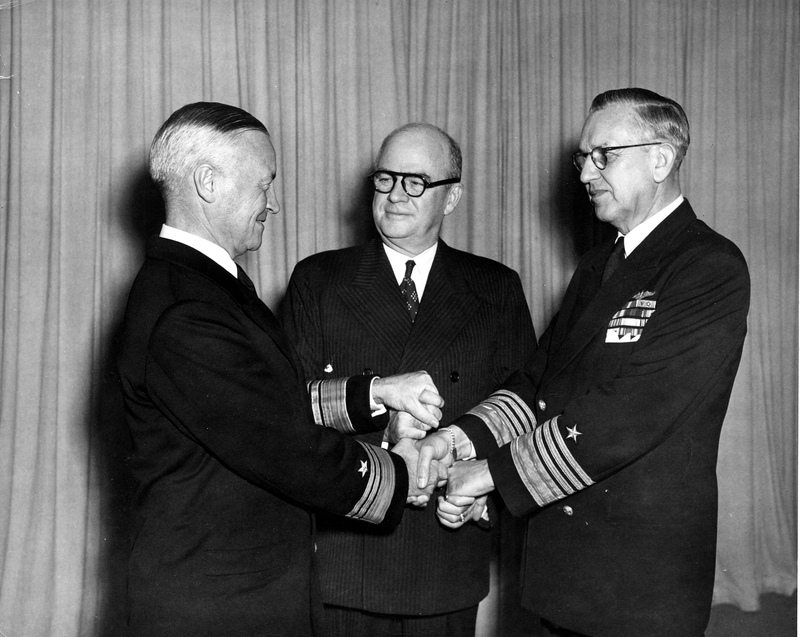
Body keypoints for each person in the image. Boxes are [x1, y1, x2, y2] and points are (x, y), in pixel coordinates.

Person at [420, 88, 751, 637]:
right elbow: (539, 381)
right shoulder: (600, 264)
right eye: (583, 158)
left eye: (605, 156)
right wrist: (460, 440)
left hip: (640, 576)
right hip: (563, 565)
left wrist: (492, 478)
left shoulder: (708, 266)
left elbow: (628, 413)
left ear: (661, 159)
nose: (585, 174)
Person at [117, 102, 447, 637]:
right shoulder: (187, 312)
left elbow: (271, 396)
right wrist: (403, 472)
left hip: (242, 590)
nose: (275, 203)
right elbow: (285, 446)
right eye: (264, 184)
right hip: (217, 606)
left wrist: (378, 394)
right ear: (207, 182)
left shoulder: (205, 286)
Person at [281, 122, 536, 636]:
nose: (395, 195)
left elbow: (526, 401)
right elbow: (287, 408)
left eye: (415, 182)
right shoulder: (319, 281)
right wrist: (384, 433)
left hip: (447, 543)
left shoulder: (495, 287)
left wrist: (483, 479)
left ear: (452, 197)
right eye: (385, 179)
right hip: (347, 553)